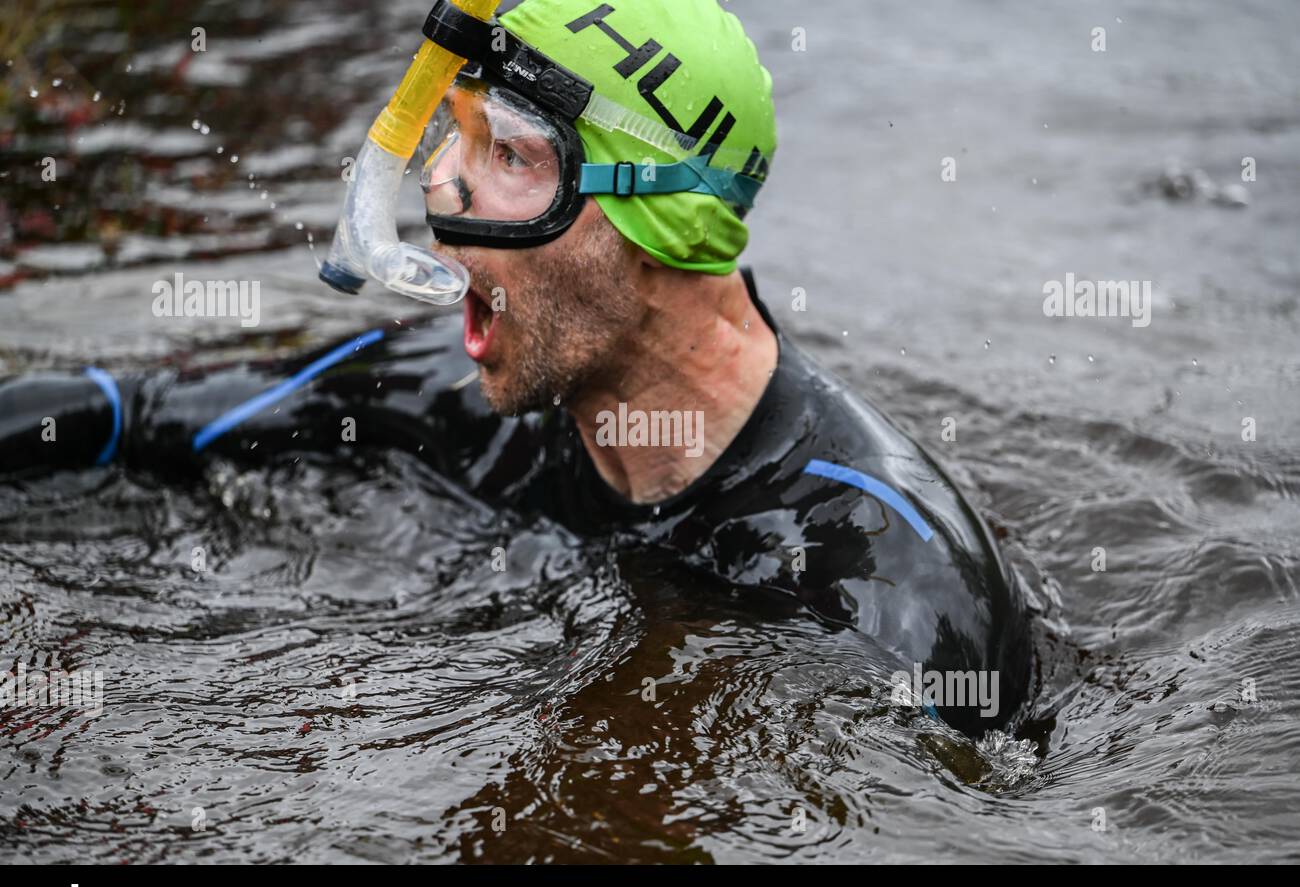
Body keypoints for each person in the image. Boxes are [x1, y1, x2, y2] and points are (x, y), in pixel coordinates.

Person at [0, 0, 1032, 734]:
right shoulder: (438, 393)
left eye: (508, 156)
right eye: (452, 141)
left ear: (658, 227)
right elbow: (132, 416)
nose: (438, 200)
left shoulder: (892, 582)